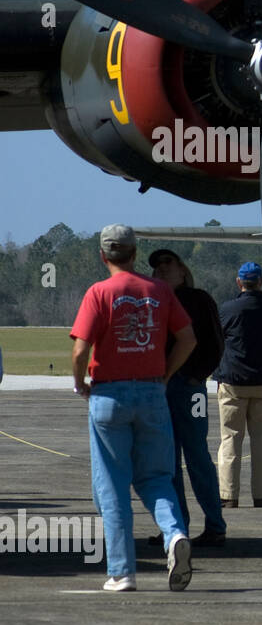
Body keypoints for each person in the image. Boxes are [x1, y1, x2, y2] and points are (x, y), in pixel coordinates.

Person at [69, 224, 195, 592]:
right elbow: (188, 339)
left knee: (112, 486)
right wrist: (165, 374)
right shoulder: (158, 290)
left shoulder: (99, 292)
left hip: (109, 395)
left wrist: (80, 384)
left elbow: (80, 350)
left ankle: (122, 571)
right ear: (135, 253)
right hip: (153, 393)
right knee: (157, 478)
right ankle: (174, 536)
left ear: (104, 255)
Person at [147, 249, 227, 548]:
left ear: (182, 270)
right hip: (159, 389)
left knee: (197, 457)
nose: (162, 269)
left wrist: (197, 376)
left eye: (168, 264)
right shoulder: (153, 301)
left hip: (189, 388)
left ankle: (215, 525)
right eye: (156, 267)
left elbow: (216, 343)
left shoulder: (199, 299)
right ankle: (175, 527)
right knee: (167, 461)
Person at [215, 261, 262, 508]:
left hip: (233, 380)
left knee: (230, 439)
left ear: (239, 282)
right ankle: (261, 496)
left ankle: (229, 496)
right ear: (261, 282)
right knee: (260, 442)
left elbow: (218, 339)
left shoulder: (227, 309)